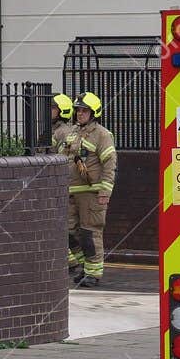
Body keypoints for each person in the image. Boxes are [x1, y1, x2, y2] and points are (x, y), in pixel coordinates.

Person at [68, 92, 117, 288]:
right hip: (71, 191)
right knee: (69, 232)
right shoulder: (72, 132)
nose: (80, 114)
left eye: (84, 110)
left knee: (90, 233)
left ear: (93, 112)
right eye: (78, 110)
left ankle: (93, 273)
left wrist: (105, 191)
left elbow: (110, 163)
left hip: (92, 193)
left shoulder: (102, 135)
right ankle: (85, 266)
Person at [49, 93, 82, 276]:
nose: (49, 112)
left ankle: (71, 261)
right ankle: (73, 260)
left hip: (63, 185)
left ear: (62, 111)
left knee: (66, 228)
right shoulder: (57, 130)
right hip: (62, 185)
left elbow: (57, 158)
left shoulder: (62, 132)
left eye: (53, 108)